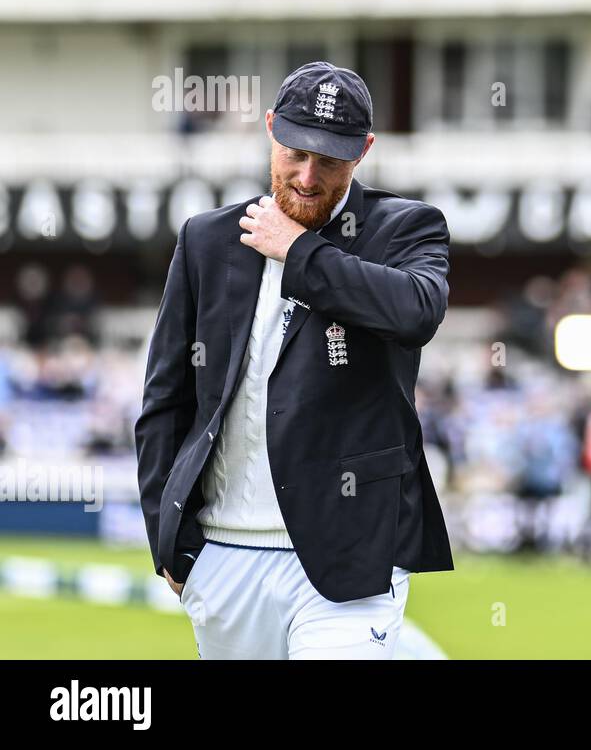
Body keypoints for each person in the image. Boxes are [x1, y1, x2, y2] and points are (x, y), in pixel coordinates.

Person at [134, 61, 453, 659]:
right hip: (225, 557)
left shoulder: (406, 228)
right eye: (296, 152)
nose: (308, 176)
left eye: (330, 160)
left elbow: (417, 312)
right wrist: (167, 535)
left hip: (351, 558)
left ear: (364, 152)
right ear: (271, 128)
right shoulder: (206, 240)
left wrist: (299, 251)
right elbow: (165, 401)